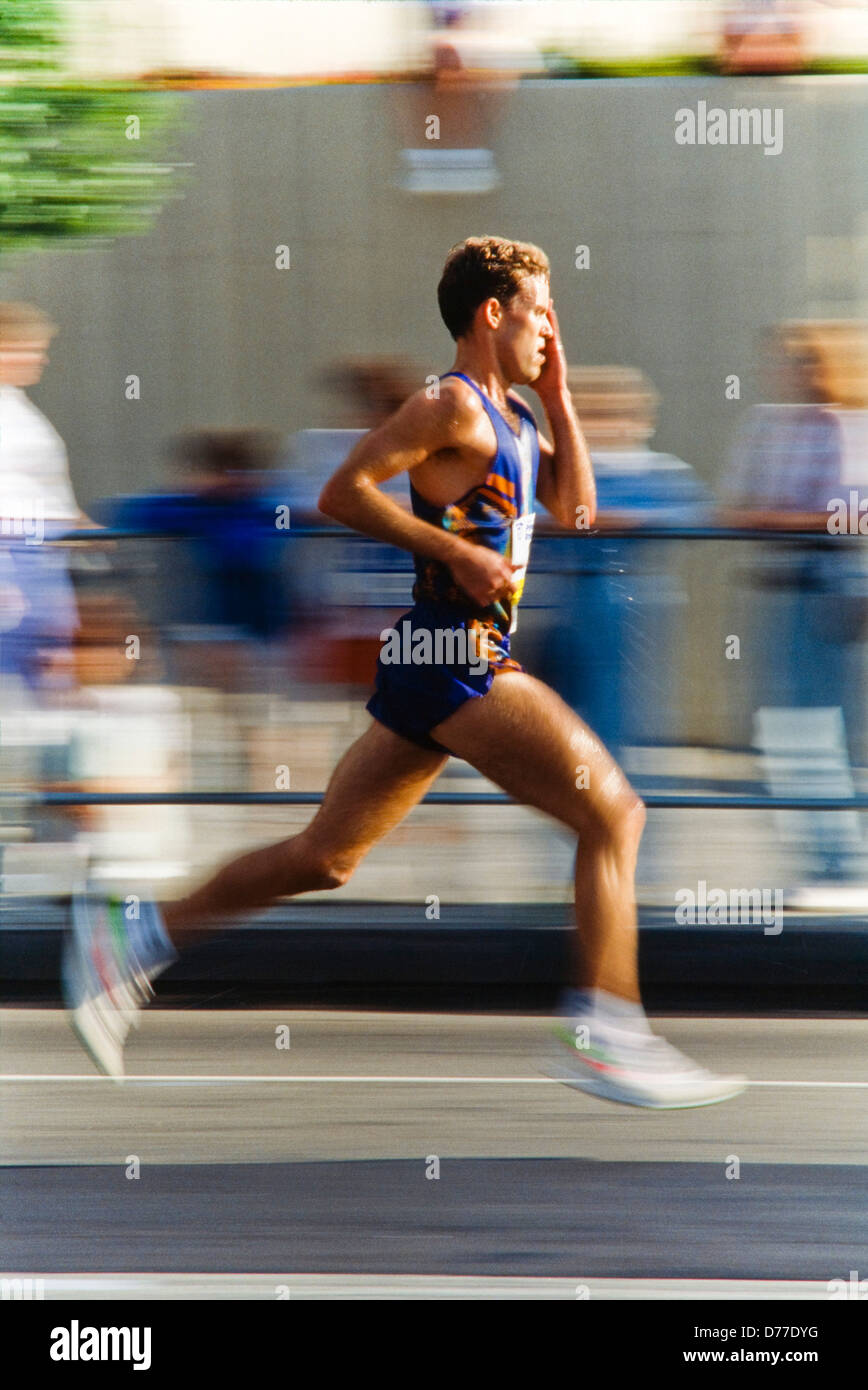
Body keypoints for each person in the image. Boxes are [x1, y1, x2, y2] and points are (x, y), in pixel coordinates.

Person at [62, 236, 746, 1108]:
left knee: (324, 859)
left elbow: (575, 512)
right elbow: (343, 491)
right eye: (540, 312)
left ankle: (130, 933)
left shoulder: (518, 420)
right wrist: (449, 549)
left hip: (438, 662)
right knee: (614, 812)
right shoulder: (448, 406)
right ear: (491, 314)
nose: (550, 328)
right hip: (459, 655)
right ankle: (607, 1030)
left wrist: (561, 394)